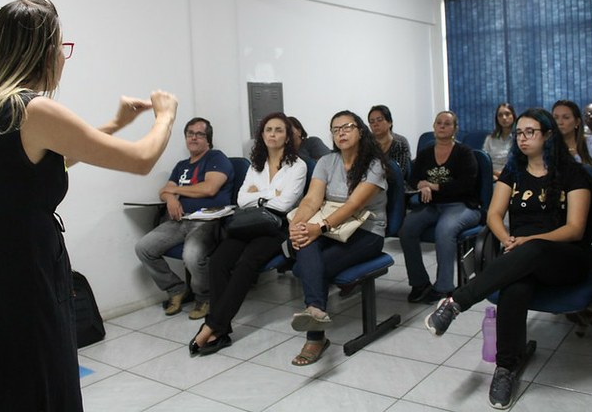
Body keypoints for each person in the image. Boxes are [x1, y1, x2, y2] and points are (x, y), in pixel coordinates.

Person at [0, 0, 178, 412]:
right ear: (44, 51)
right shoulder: (32, 108)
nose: (65, 58)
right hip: (19, 300)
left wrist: (114, 124)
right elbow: (142, 160)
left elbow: (38, 163)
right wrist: (165, 116)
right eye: (62, 47)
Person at [422, 108, 592, 409]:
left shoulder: (573, 172)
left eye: (530, 132)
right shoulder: (514, 171)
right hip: (520, 254)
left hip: (564, 258)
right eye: (519, 134)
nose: (522, 139)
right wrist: (506, 239)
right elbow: (495, 215)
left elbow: (575, 229)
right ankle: (505, 368)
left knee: (534, 250)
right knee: (515, 287)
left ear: (548, 135)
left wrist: (529, 241)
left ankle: (457, 301)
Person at [190, 113, 307, 356]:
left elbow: (285, 204)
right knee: (218, 261)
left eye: (278, 130)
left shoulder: (298, 166)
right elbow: (243, 200)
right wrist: (269, 194)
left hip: (275, 228)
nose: (273, 134)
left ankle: (213, 326)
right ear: (262, 136)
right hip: (247, 224)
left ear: (287, 137)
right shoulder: (255, 165)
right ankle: (220, 328)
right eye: (268, 130)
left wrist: (259, 195)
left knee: (245, 264)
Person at [286, 111, 387, 366]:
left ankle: (315, 337)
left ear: (360, 131)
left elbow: (354, 204)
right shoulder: (326, 162)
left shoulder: (374, 164)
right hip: (332, 229)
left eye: (347, 127)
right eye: (335, 129)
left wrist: (318, 228)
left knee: (310, 266)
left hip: (367, 231)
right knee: (305, 244)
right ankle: (316, 310)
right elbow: (311, 200)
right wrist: (298, 225)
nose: (340, 132)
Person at [134, 117, 234, 320]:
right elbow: (163, 191)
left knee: (192, 255)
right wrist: (170, 198)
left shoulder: (216, 158)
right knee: (144, 248)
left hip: (209, 221)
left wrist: (174, 190)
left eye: (199, 134)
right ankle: (176, 289)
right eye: (190, 134)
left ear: (208, 139)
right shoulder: (181, 166)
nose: (194, 138)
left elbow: (209, 188)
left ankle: (204, 297)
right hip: (180, 220)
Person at [400, 111, 480, 304]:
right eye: (439, 123)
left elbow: (466, 184)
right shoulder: (426, 152)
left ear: (455, 129)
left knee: (444, 231)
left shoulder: (464, 152)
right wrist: (421, 184)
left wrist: (434, 186)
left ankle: (444, 287)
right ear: (434, 126)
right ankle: (419, 283)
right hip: (434, 205)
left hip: (462, 205)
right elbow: (413, 177)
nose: (442, 126)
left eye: (447, 123)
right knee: (406, 230)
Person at [553, 99, 592, 190]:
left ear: (577, 122)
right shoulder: (547, 147)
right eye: (555, 118)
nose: (559, 122)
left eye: (566, 117)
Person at [368, 104, 412, 180]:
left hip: (393, 186)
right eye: (372, 122)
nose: (375, 124)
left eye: (379, 120)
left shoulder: (400, 144)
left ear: (390, 122)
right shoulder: (366, 144)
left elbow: (398, 173)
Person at [483, 102, 516, 180]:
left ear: (513, 116)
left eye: (507, 114)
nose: (504, 118)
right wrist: (495, 174)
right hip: (492, 175)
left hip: (512, 176)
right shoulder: (490, 139)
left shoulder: (519, 138)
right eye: (500, 115)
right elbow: (484, 161)